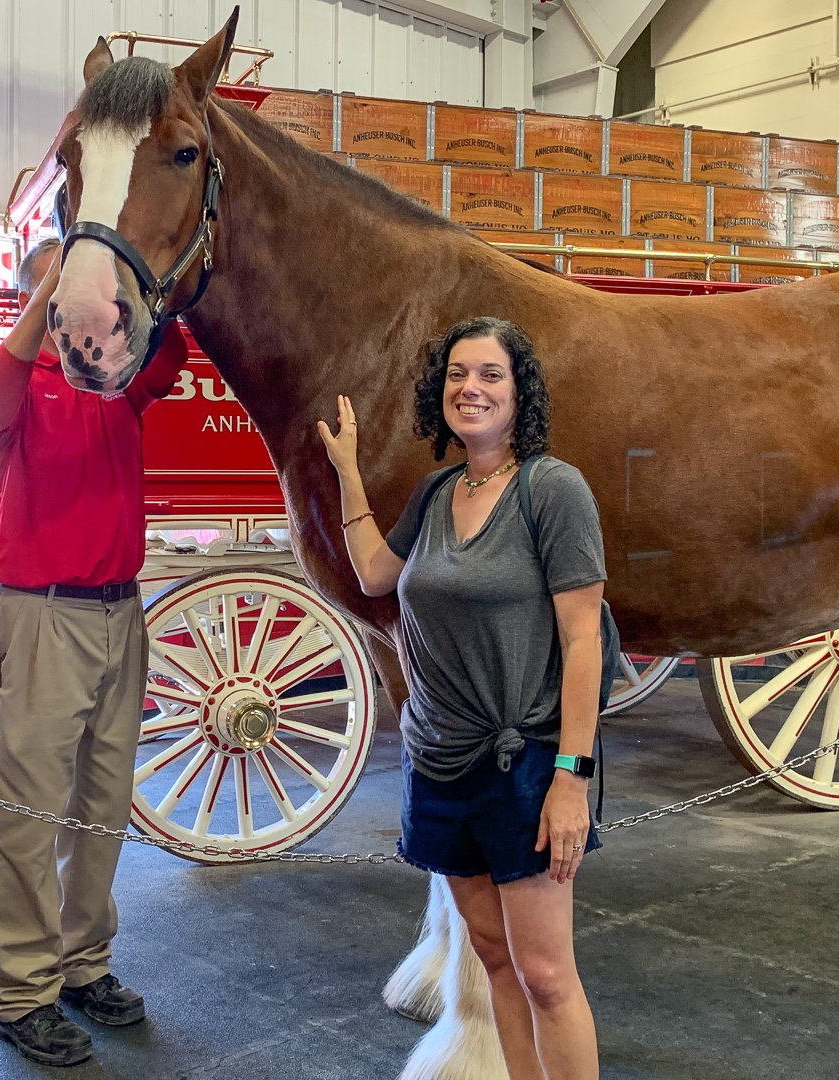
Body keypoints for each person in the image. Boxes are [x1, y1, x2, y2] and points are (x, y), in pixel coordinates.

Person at [318, 316, 606, 1079]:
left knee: (545, 974)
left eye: (489, 375)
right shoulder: (440, 491)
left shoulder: (554, 490)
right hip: (437, 762)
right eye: (456, 374)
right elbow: (378, 573)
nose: (469, 388)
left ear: (521, 393)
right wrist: (348, 473)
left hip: (524, 764)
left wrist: (571, 778)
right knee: (493, 960)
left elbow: (584, 641)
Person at [0, 237, 192, 1068]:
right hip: (41, 615)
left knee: (99, 810)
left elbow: (169, 339)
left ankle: (81, 965)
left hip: (116, 613)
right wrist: (50, 295)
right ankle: (23, 994)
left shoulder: (116, 389)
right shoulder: (15, 391)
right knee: (27, 815)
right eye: (61, 294)